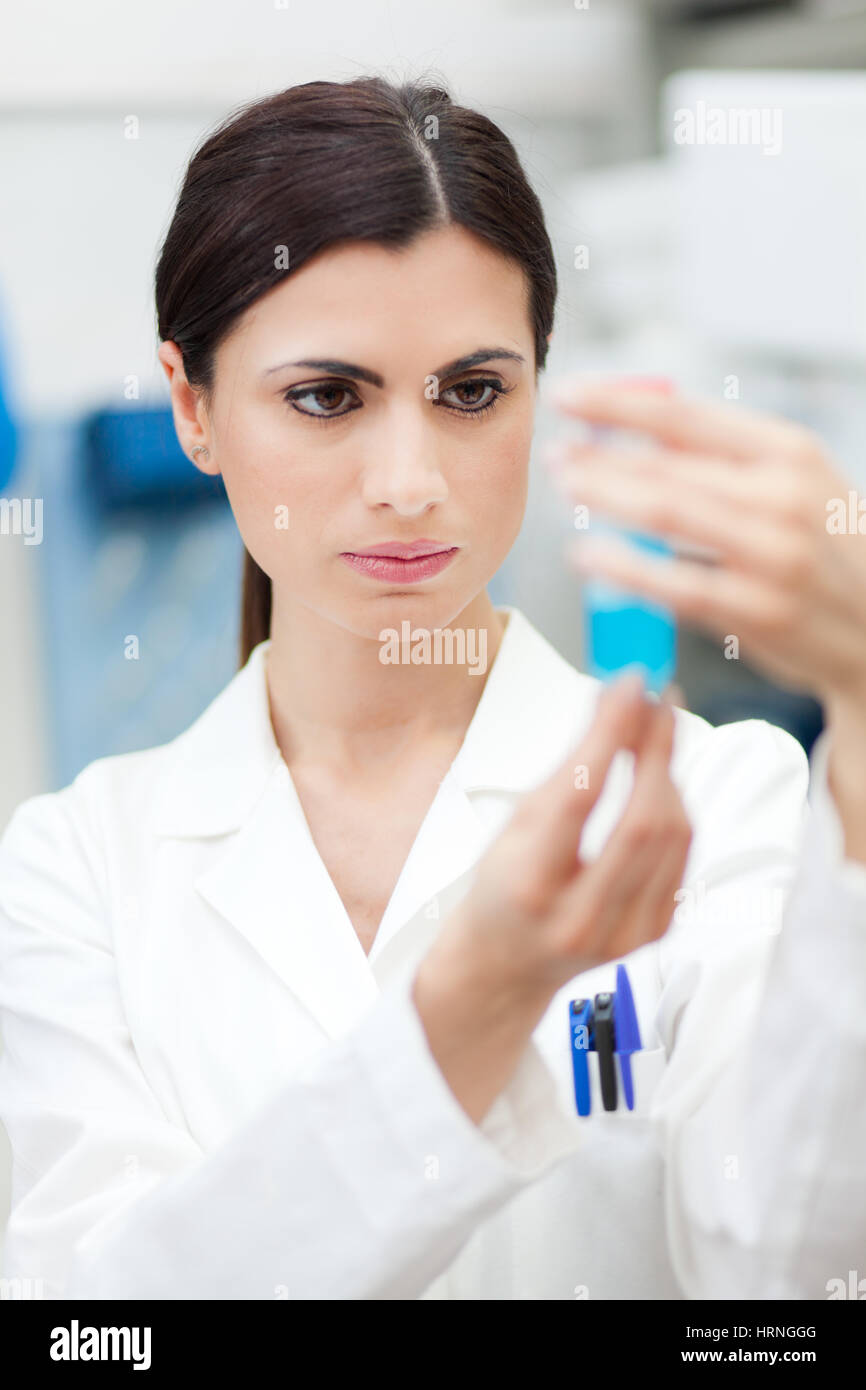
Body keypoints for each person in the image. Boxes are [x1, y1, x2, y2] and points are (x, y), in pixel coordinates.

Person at [0, 75, 864, 1302]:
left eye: (471, 392)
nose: (408, 481)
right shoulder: (78, 871)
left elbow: (791, 1269)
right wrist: (472, 1008)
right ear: (192, 406)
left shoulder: (724, 798)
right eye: (325, 396)